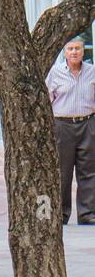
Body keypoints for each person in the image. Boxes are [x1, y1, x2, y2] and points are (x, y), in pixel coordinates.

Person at [46, 37, 95, 224]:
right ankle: (61, 214)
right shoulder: (55, 73)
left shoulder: (92, 72)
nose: (74, 52)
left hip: (88, 123)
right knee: (62, 172)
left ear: (84, 51)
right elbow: (47, 100)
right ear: (64, 52)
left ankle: (88, 214)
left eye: (77, 48)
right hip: (62, 126)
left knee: (89, 171)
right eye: (70, 49)